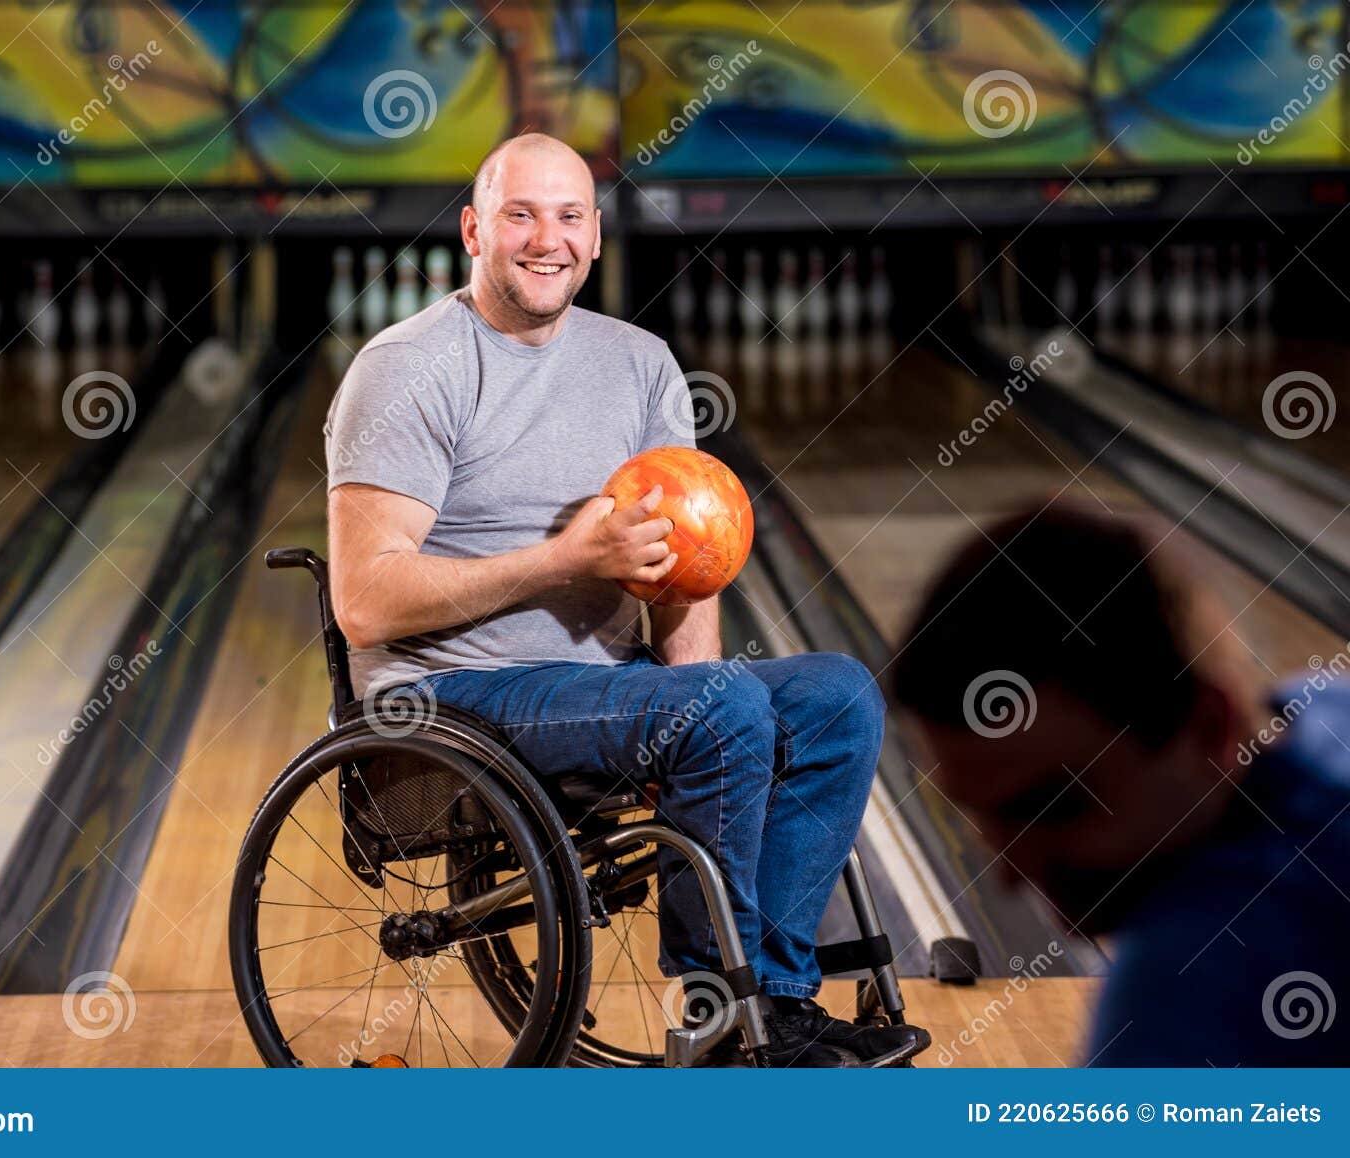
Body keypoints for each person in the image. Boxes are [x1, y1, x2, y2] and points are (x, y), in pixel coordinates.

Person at [322, 132, 927, 1067]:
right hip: (456, 694)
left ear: (596, 238)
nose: (545, 238)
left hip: (606, 690)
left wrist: (691, 709)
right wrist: (566, 559)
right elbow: (365, 601)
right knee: (722, 707)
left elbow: (686, 570)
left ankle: (773, 1001)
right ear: (474, 229)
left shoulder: (639, 364)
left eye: (568, 216)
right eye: (520, 214)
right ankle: (718, 1017)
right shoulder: (408, 369)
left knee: (837, 694)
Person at [893, 502, 1349, 1066]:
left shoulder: (1190, 991)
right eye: (982, 819)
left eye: (1053, 806)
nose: (1009, 873)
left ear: (1211, 728)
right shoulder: (1320, 704)